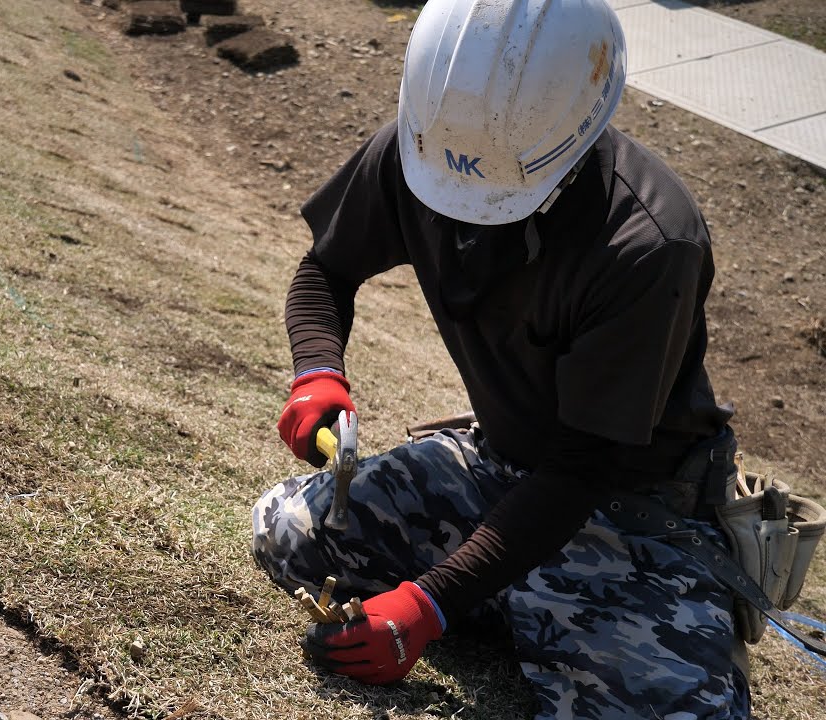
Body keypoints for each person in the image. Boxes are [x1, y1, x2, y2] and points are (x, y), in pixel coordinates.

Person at [250, 0, 752, 718]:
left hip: (632, 511)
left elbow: (582, 468)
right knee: (286, 534)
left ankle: (534, 604)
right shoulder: (422, 146)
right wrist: (317, 372)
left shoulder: (647, 244)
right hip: (499, 468)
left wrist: (430, 601)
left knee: (680, 712)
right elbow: (324, 273)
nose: (461, 214)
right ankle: (528, 606)